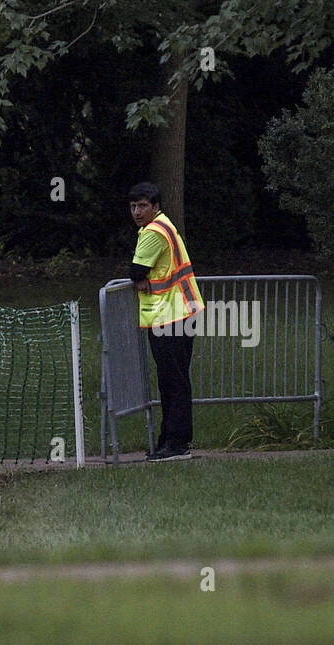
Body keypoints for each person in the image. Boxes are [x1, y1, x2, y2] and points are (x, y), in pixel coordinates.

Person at [127, 181, 204, 461]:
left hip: (171, 315)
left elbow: (136, 269)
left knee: (173, 380)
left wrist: (138, 278)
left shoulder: (153, 233)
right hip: (178, 312)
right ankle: (170, 440)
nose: (137, 211)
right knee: (173, 379)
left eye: (143, 205)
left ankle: (177, 443)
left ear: (155, 206)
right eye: (133, 206)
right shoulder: (164, 225)